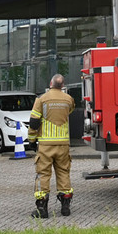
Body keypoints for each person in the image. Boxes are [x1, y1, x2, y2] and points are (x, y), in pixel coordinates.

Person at [25, 73, 75, 218]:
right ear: (63, 85)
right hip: (63, 144)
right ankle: (65, 207)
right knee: (63, 172)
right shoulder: (69, 99)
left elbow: (34, 122)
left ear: (50, 84)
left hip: (46, 145)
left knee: (43, 174)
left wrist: (32, 140)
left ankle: (42, 209)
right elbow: (69, 111)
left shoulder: (42, 99)